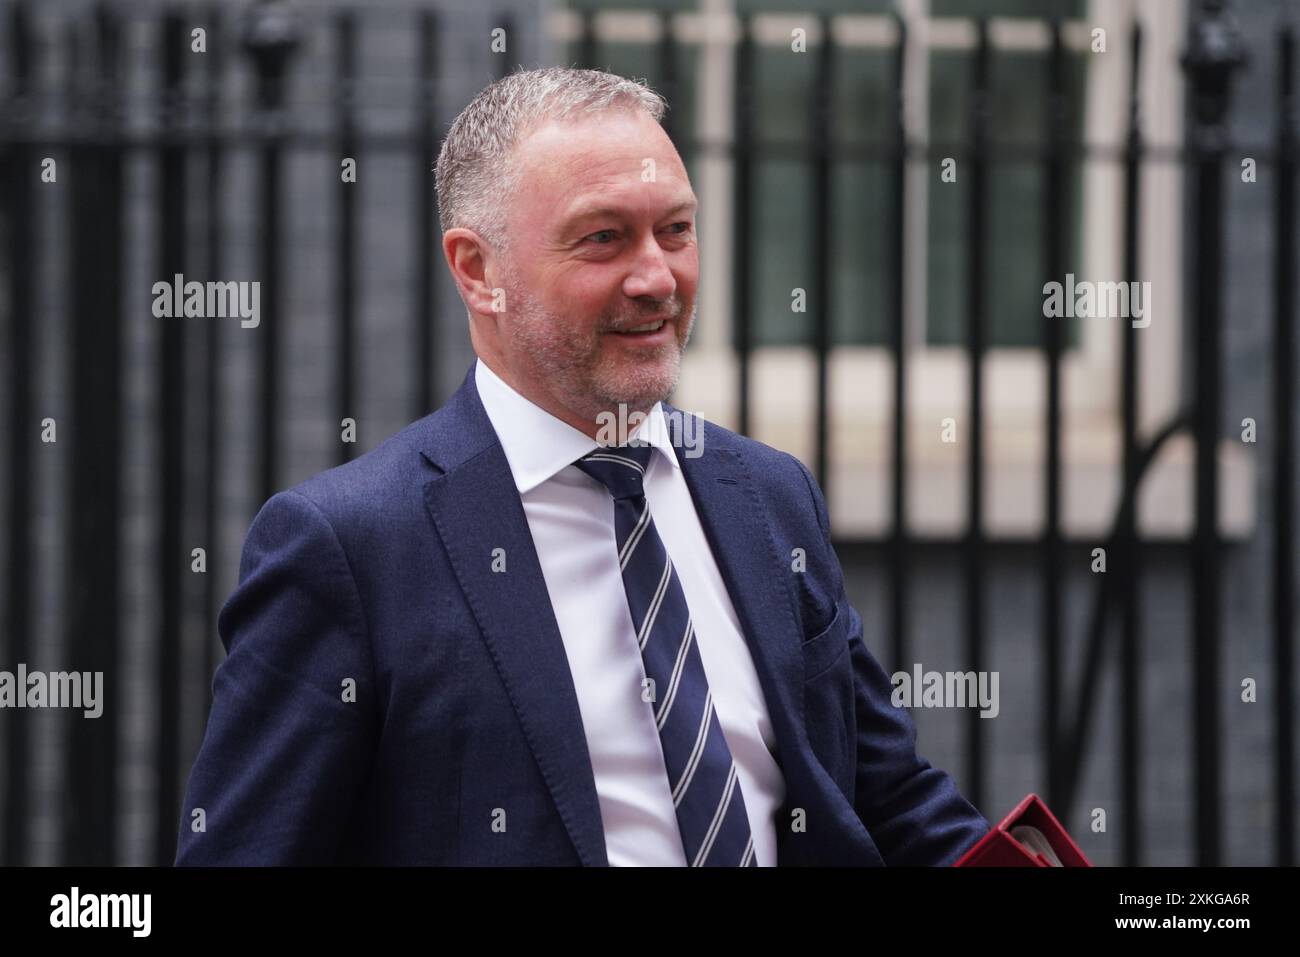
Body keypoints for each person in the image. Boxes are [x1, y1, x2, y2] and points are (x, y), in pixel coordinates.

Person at [175, 67, 989, 866]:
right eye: (603, 238)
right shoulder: (348, 547)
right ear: (477, 270)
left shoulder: (769, 495)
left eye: (675, 230)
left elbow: (889, 801)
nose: (656, 277)